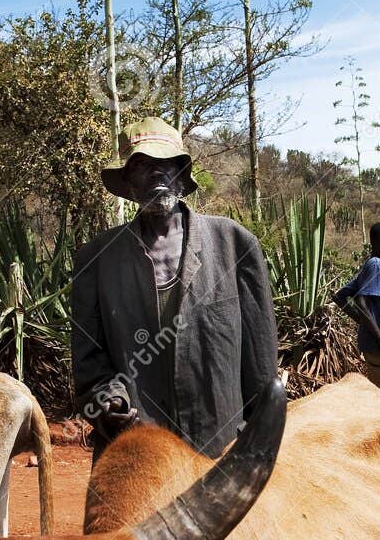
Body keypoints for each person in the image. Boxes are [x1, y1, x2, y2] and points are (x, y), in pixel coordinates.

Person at [71, 117, 278, 457]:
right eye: (141, 164)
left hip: (221, 451)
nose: (156, 173)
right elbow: (90, 367)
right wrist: (109, 402)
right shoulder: (96, 260)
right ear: (128, 180)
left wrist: (255, 440)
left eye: (166, 163)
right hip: (137, 455)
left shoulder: (234, 245)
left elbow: (261, 362)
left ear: (182, 174)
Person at [332, 222, 380, 391]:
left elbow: (339, 296)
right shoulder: (375, 265)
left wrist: (362, 320)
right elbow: (362, 303)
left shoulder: (378, 267)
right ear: (373, 243)